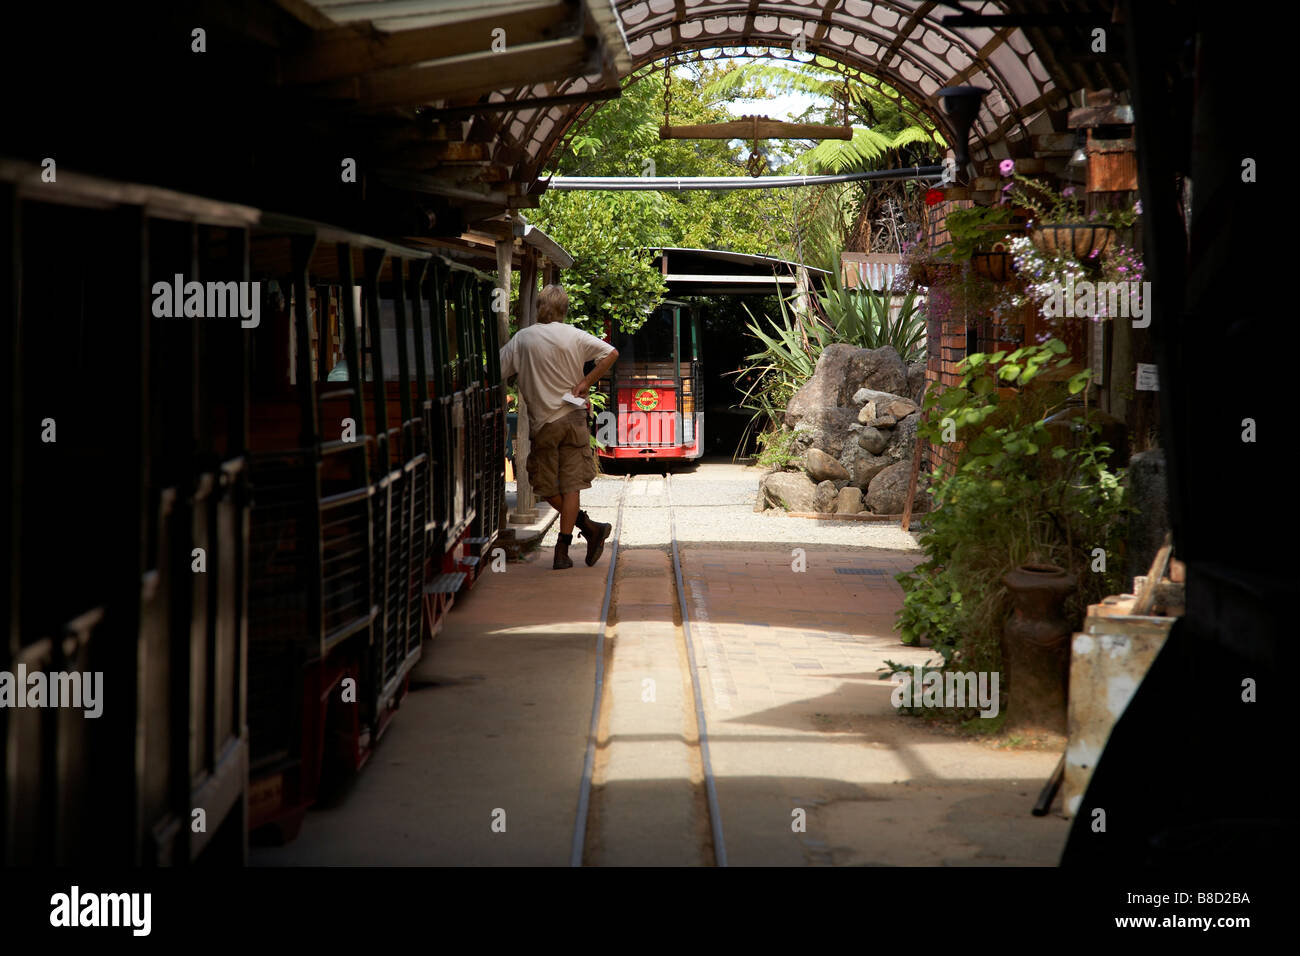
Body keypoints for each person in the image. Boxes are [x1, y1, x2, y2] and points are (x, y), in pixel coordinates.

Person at [499, 284, 619, 569]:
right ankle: (582, 534)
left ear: (540, 307)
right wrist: (585, 383)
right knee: (572, 485)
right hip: (574, 418)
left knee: (544, 484)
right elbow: (611, 353)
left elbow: (498, 370)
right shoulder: (574, 336)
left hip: (544, 424)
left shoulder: (522, 339)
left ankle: (572, 544)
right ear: (564, 310)